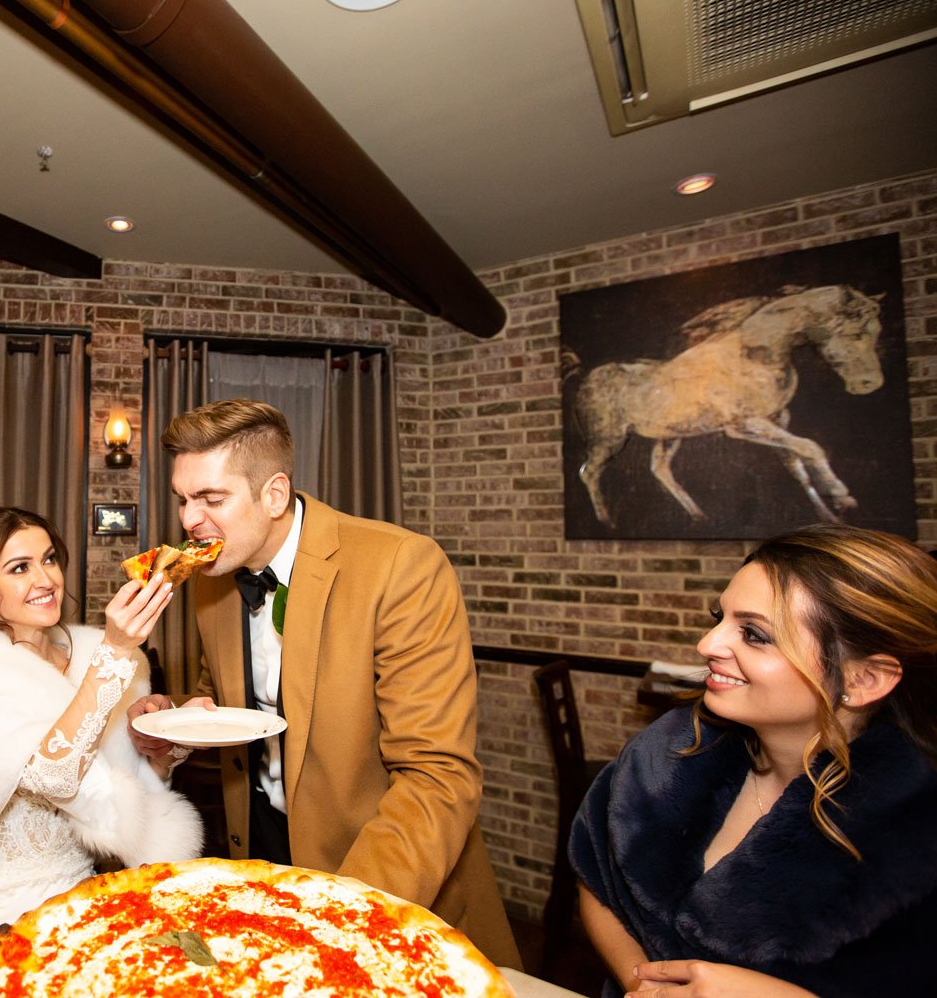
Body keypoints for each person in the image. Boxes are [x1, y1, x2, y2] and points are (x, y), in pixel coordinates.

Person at [126, 399, 520, 968]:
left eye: (212, 499)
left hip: (379, 880)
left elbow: (438, 777)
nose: (189, 520)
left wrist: (340, 914)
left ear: (275, 494)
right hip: (259, 862)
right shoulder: (210, 581)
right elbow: (227, 700)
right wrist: (180, 721)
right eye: (184, 499)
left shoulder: (402, 566)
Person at [571, 523, 937, 998]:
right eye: (718, 616)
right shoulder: (668, 750)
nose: (707, 645)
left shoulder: (918, 830)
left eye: (754, 634)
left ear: (865, 678)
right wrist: (644, 984)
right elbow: (596, 877)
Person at [0, 507, 201, 963]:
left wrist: (159, 745)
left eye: (48, 559)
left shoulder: (94, 657)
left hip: (81, 914)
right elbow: (52, 776)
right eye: (19, 568)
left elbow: (127, 794)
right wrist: (116, 652)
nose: (45, 579)